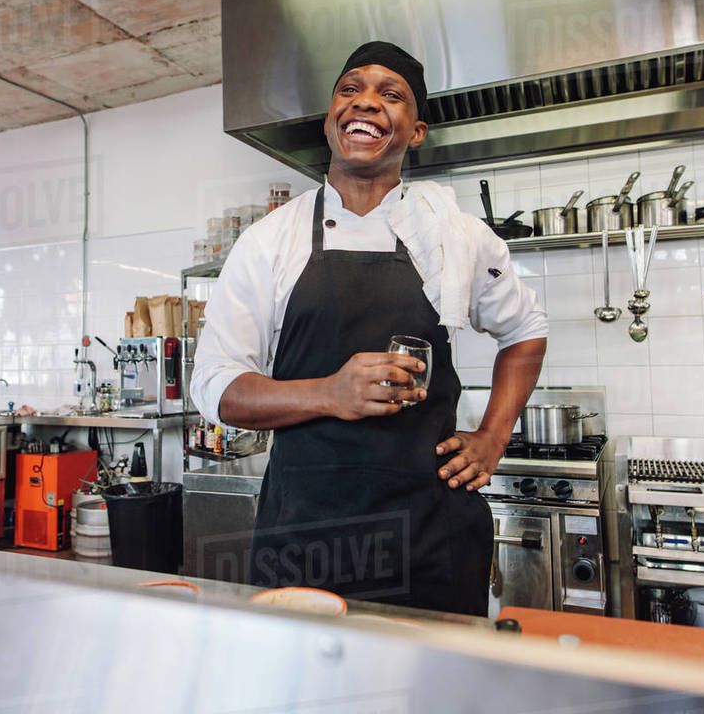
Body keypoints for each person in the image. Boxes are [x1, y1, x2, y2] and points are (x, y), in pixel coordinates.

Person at [190, 41, 547, 616]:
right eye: (350, 89)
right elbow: (214, 388)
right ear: (332, 118)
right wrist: (329, 392)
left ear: (416, 130)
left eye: (391, 94)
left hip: (430, 535)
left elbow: (526, 329)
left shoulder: (453, 236)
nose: (366, 102)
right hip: (305, 536)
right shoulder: (269, 241)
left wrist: (494, 437)